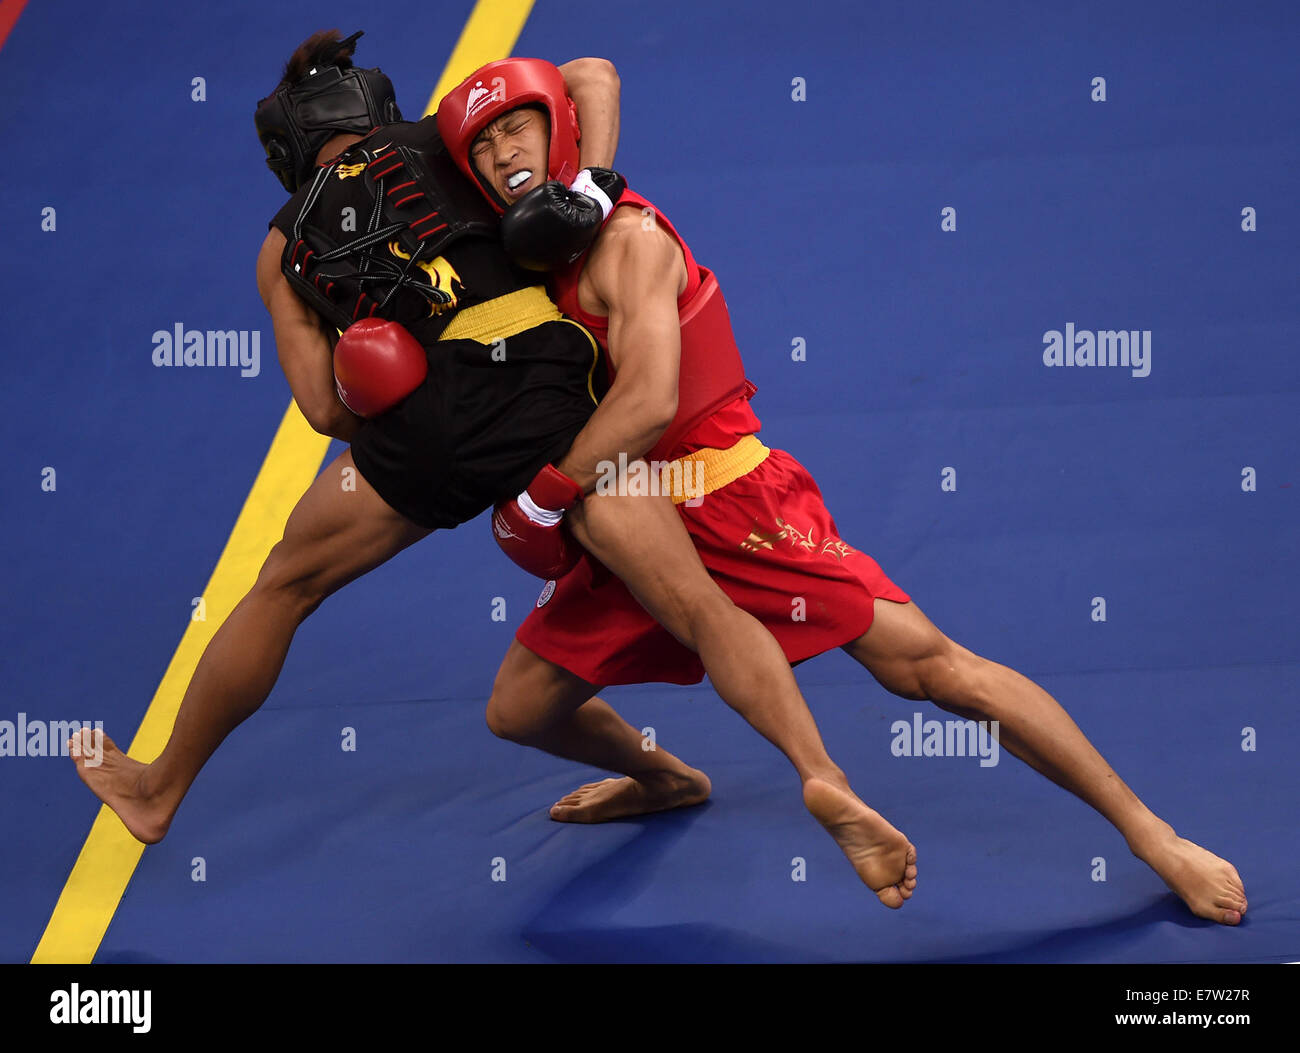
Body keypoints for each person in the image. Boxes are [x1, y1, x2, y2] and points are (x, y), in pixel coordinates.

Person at [69, 31, 916, 908]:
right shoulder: (443, 133)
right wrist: (584, 190)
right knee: (697, 604)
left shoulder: (280, 254)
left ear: (284, 152)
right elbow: (590, 74)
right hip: (548, 394)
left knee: (284, 584)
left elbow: (326, 411)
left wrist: (377, 366)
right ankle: (821, 773)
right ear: (376, 107)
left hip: (423, 430)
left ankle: (159, 785)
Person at [438, 57, 1248, 926]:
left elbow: (647, 400)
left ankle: (1151, 833)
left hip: (723, 498)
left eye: (515, 127)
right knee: (519, 707)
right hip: (627, 513)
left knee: (933, 669)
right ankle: (666, 777)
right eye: (479, 144)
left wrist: (543, 496)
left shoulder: (628, 241)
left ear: (556, 127)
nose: (499, 152)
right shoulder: (524, 250)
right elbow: (582, 78)